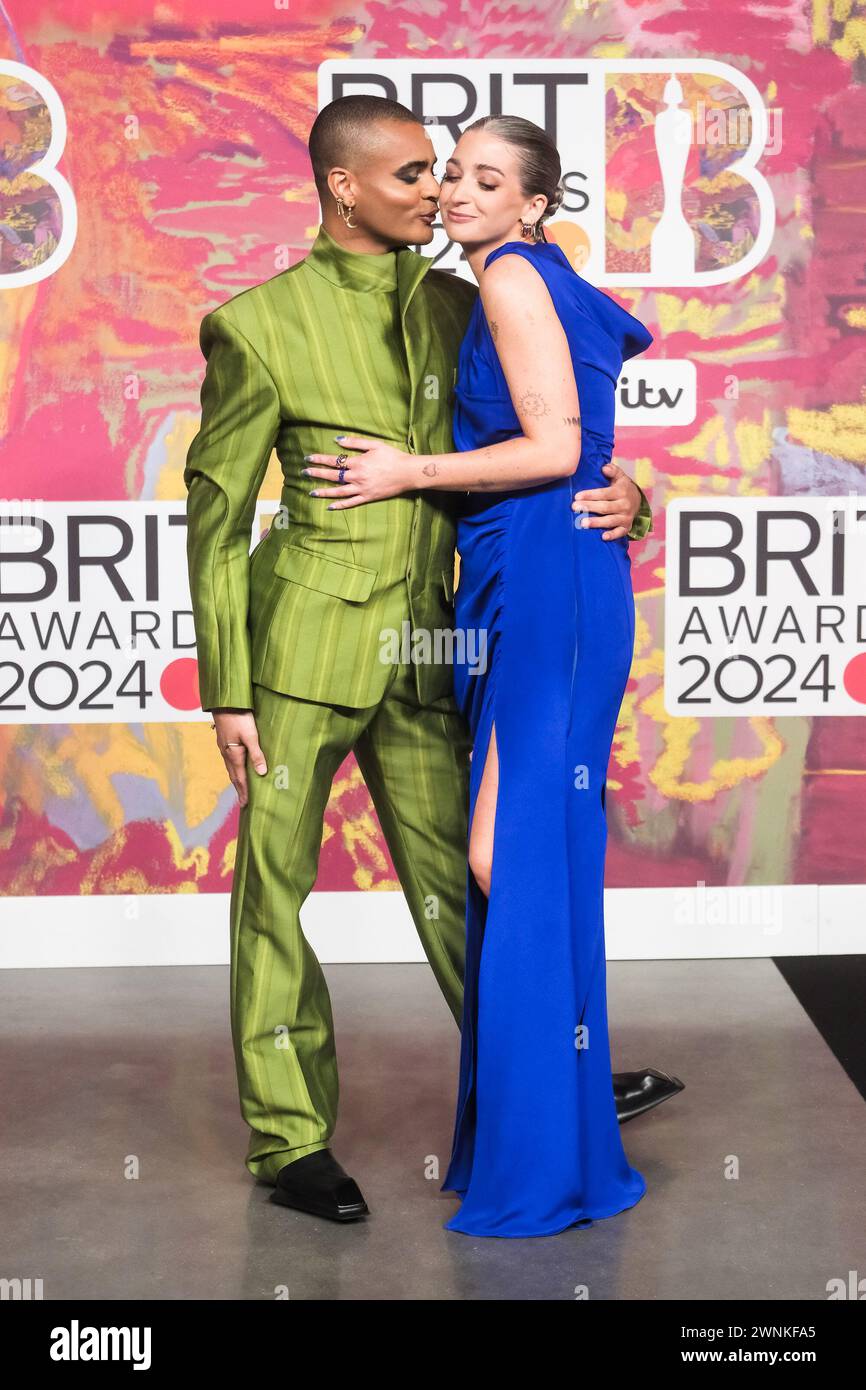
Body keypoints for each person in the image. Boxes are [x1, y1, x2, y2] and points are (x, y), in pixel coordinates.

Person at [183, 95, 679, 1226]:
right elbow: (213, 519)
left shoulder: (474, 288)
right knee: (274, 895)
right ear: (343, 187)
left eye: (450, 173)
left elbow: (557, 432)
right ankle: (290, 1138)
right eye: (414, 174)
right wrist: (227, 686)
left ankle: (551, 1082)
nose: (436, 191)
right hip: (297, 656)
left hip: (438, 638)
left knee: (471, 876)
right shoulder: (257, 322)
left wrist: (633, 495)